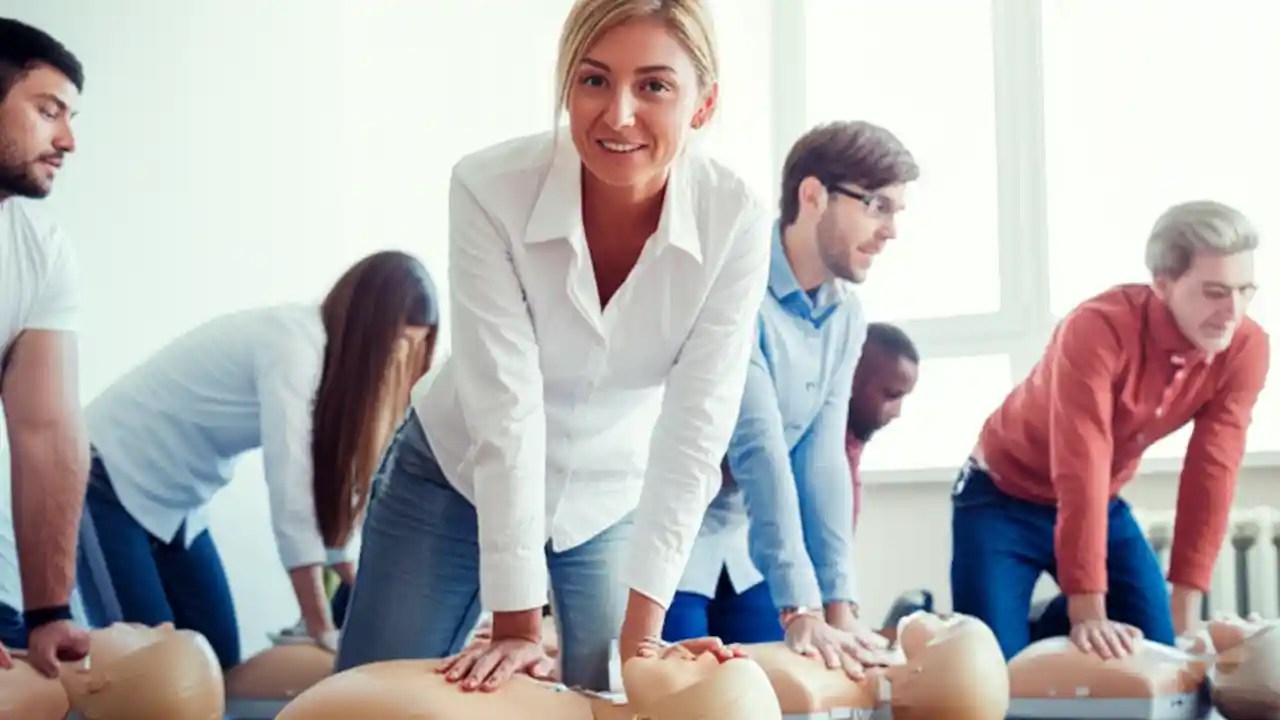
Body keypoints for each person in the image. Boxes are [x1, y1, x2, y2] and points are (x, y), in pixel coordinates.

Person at [334, 0, 772, 693]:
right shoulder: (488, 188)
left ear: (703, 104)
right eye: (594, 80)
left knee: (622, 690)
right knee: (369, 702)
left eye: (654, 85)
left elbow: (698, 425)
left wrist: (646, 643)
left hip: (608, 496)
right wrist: (515, 622)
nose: (618, 113)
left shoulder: (737, 219)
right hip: (454, 473)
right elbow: (504, 405)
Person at [78, 250, 439, 670]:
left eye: (416, 346)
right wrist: (322, 628)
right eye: (398, 344)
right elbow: (292, 491)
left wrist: (361, 588)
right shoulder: (292, 346)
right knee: (149, 672)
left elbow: (331, 503)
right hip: (105, 478)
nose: (401, 361)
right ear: (367, 328)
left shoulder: (332, 369)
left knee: (218, 661)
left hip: (179, 504)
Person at [950, 200, 1271, 661]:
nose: (1232, 311)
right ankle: (1025, 628)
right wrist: (1087, 610)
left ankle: (1041, 624)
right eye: (1214, 292)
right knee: (994, 672)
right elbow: (1083, 460)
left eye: (1245, 291)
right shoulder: (1097, 328)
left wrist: (1183, 616)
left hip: (1099, 500)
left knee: (1156, 650)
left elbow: (1213, 471)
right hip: (1000, 498)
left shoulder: (1246, 347)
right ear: (1162, 285)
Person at [662, 122, 919, 678]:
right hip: (667, 541)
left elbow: (822, 459)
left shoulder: (846, 314)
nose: (891, 230)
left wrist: (839, 606)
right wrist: (800, 606)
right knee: (687, 696)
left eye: (897, 211)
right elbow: (760, 446)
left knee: (796, 681)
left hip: (742, 549)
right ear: (812, 195)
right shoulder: (737, 284)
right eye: (877, 205)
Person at [0, 16, 92, 678]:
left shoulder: (41, 249)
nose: (68, 139)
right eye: (47, 111)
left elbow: (47, 433)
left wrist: (47, 612)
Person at [845, 321, 919, 534]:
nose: (897, 412)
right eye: (891, 395)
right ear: (852, 378)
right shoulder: (811, 452)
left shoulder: (851, 446)